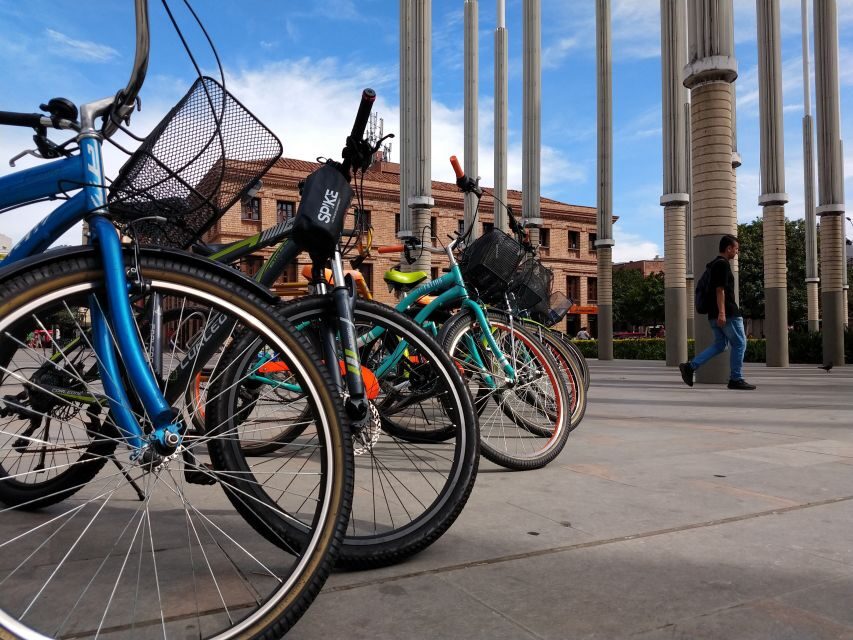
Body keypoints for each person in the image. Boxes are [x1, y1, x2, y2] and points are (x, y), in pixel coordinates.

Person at [679, 234, 756, 390]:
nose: (736, 252)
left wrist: (718, 313)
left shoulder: (713, 264)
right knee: (740, 343)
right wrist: (722, 313)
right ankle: (736, 378)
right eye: (736, 249)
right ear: (728, 248)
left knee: (721, 345)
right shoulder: (722, 265)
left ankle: (691, 366)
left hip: (713, 314)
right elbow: (719, 290)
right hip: (727, 313)